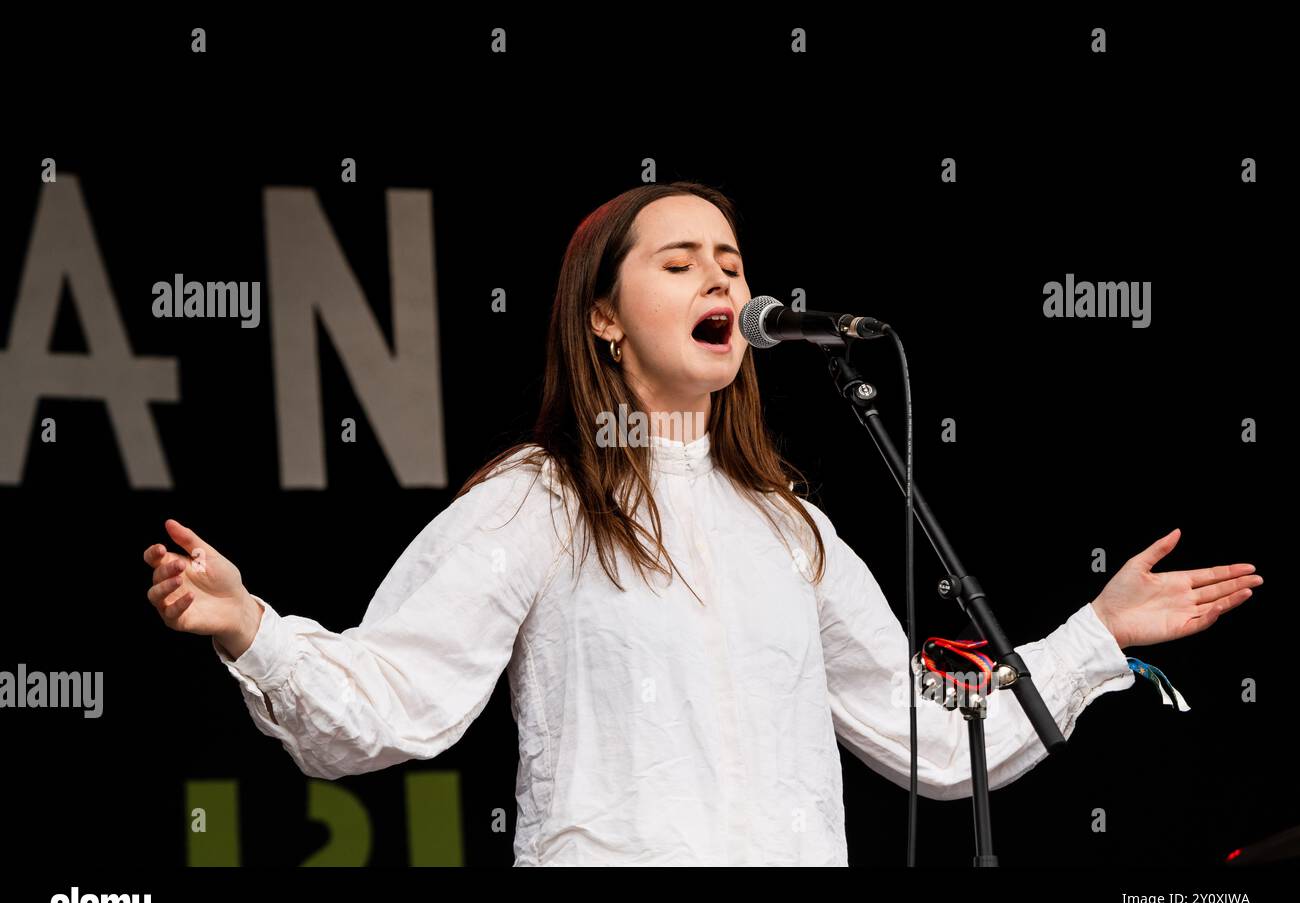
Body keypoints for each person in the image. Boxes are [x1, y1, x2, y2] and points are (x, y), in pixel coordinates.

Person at [143, 182, 1262, 866]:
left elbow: (929, 739)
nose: (719, 276)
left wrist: (1094, 637)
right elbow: (389, 707)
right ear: (604, 317)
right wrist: (256, 628)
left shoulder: (791, 529)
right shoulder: (543, 497)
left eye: (730, 262)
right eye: (678, 263)